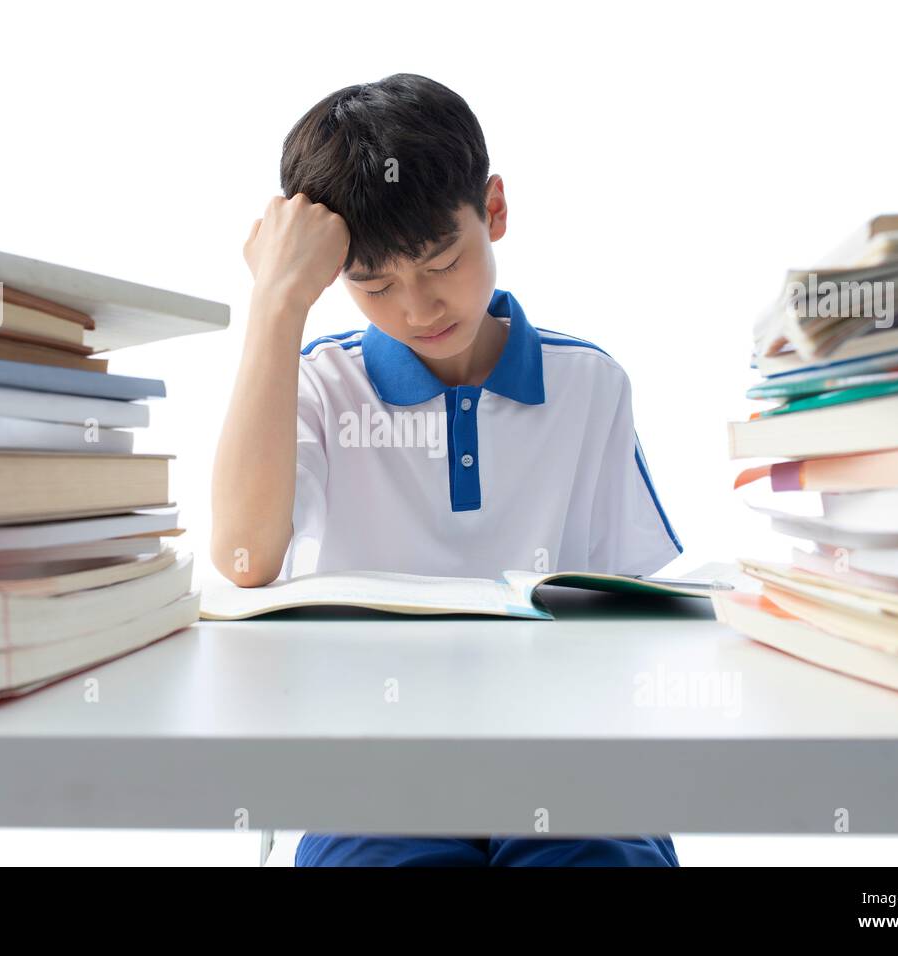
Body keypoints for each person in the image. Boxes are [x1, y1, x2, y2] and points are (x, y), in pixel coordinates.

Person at [211, 73, 681, 867]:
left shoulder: (588, 384)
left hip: (567, 750)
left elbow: (641, 607)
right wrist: (274, 303)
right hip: (375, 762)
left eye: (440, 260)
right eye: (373, 284)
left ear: (493, 211)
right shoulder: (319, 387)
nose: (417, 308)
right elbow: (244, 562)